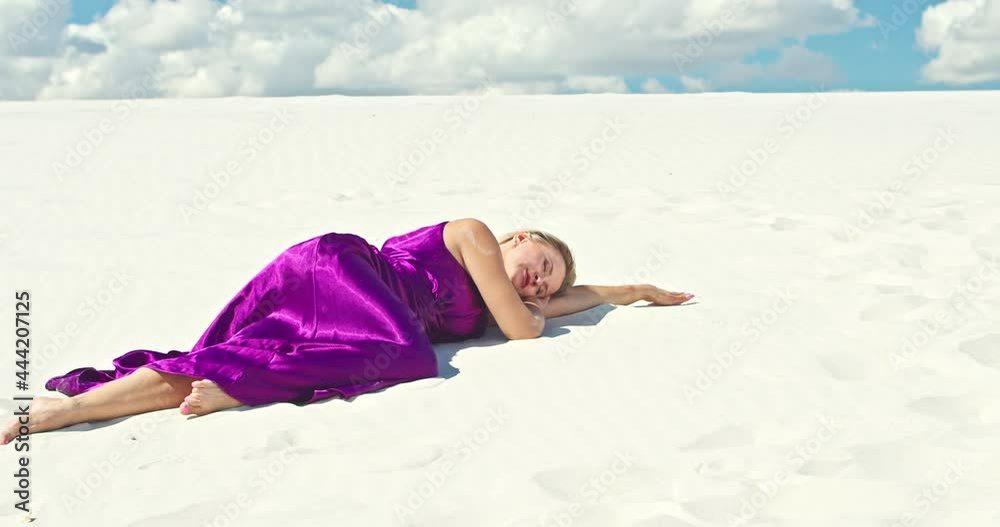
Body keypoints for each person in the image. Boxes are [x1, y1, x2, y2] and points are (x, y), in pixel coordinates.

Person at [1, 218, 693, 444]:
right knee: (408, 353)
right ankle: (240, 389)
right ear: (517, 237)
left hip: (353, 308)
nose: (540, 283)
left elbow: (561, 303)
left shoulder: (500, 293)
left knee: (225, 361)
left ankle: (66, 409)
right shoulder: (475, 233)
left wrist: (631, 290)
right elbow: (527, 331)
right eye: (538, 263)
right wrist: (539, 311)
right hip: (345, 272)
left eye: (548, 280)